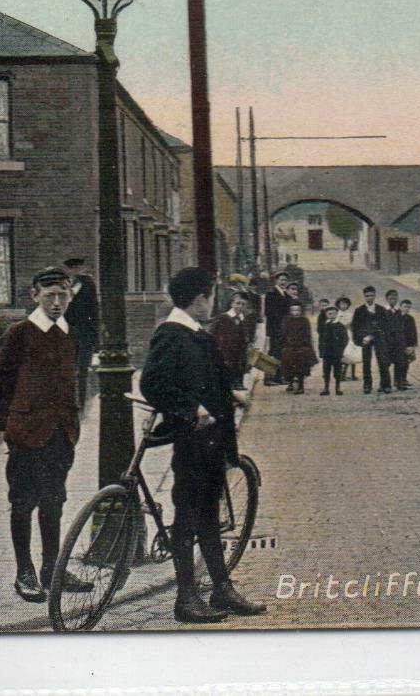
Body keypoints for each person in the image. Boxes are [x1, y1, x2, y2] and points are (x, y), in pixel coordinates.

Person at [140, 267, 264, 623]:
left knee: (209, 516)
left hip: (211, 443)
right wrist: (191, 409)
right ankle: (186, 597)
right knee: (187, 519)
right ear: (199, 300)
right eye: (210, 296)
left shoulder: (196, 333)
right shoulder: (171, 333)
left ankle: (221, 588)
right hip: (192, 442)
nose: (212, 303)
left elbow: (206, 379)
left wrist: (231, 395)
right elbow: (154, 384)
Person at [0, 267, 93, 603]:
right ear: (35, 295)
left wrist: (72, 423)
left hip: (60, 434)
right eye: (50, 296)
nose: (57, 302)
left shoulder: (69, 334)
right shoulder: (19, 333)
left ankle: (52, 569)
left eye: (63, 295)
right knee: (23, 502)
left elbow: (74, 381)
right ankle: (25, 572)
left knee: (54, 501)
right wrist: (12, 424)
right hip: (27, 434)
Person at [61, 257, 99, 406]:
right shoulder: (68, 285)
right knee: (71, 368)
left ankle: (81, 400)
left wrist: (94, 334)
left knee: (82, 368)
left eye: (77, 267)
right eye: (72, 268)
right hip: (71, 332)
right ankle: (73, 400)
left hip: (84, 333)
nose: (75, 270)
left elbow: (93, 310)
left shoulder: (86, 283)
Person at [351, 285, 391, 394]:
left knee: (383, 361)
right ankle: (367, 385)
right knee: (366, 363)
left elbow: (385, 326)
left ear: (375, 296)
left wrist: (377, 336)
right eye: (367, 296)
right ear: (364, 296)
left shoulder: (381, 309)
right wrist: (362, 338)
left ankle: (385, 385)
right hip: (365, 340)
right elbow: (355, 327)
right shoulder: (359, 310)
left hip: (379, 339)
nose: (369, 298)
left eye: (372, 295)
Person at [211, 291, 251, 388]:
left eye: (243, 304)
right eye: (238, 303)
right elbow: (214, 333)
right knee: (228, 365)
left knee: (239, 364)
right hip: (225, 348)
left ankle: (239, 383)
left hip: (239, 348)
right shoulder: (223, 318)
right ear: (232, 303)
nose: (240, 306)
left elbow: (245, 334)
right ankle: (230, 384)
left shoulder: (243, 318)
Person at [278, 302, 318, 394]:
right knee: (288, 363)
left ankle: (301, 385)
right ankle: (290, 382)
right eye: (293, 310)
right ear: (290, 311)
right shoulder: (286, 320)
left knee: (301, 365)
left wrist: (304, 343)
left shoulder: (304, 320)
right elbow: (283, 334)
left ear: (301, 311)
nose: (296, 312)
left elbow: (307, 335)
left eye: (298, 310)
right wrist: (283, 344)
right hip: (289, 346)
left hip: (301, 346)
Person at [263, 272, 294, 386]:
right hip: (275, 329)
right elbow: (269, 313)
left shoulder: (287, 296)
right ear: (276, 281)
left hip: (285, 330)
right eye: (281, 280)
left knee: (281, 353)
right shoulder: (271, 294)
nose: (283, 282)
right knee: (273, 353)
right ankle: (268, 378)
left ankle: (278, 377)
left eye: (285, 280)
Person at [318, 305, 349, 396]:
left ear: (337, 314)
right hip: (327, 352)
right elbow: (321, 339)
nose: (331, 315)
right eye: (329, 313)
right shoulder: (324, 326)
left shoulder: (340, 326)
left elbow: (345, 339)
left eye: (334, 313)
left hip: (336, 353)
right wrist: (321, 350)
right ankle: (326, 387)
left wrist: (341, 350)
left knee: (337, 370)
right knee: (326, 370)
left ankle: (337, 387)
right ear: (326, 314)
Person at [381, 289, 408, 391]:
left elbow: (401, 328)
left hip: (398, 342)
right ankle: (385, 384)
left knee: (399, 362)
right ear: (387, 299)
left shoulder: (398, 311)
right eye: (391, 298)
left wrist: (403, 342)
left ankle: (398, 382)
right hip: (387, 341)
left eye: (395, 298)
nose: (393, 300)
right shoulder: (383, 311)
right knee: (385, 363)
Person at [334, 296, 358, 381]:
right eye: (341, 304)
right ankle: (342, 374)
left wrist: (350, 325)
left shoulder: (351, 313)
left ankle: (352, 374)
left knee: (352, 353)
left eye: (345, 304)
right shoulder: (337, 314)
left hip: (350, 334)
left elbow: (354, 323)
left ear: (348, 305)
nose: (343, 306)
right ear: (338, 305)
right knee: (343, 354)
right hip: (341, 335)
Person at [399, 299, 418, 389]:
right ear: (400, 307)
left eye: (408, 307)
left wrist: (413, 345)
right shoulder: (396, 317)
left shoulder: (410, 318)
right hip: (398, 344)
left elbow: (414, 332)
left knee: (406, 362)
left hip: (408, 344)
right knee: (399, 362)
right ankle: (398, 380)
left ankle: (404, 379)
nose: (407, 309)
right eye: (405, 307)